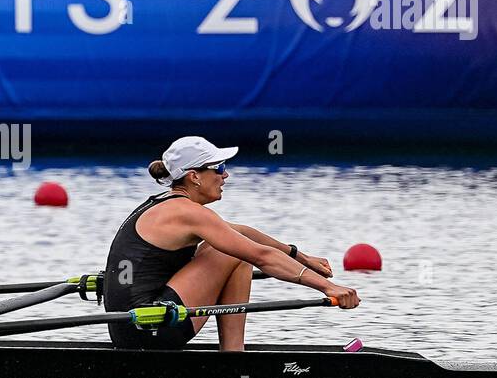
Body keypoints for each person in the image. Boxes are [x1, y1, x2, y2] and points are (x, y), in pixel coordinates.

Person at [102, 136, 360, 351]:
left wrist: (300, 257)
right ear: (194, 176)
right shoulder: (186, 212)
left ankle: (234, 354)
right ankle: (233, 357)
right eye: (220, 168)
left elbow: (242, 233)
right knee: (235, 254)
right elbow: (261, 256)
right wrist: (329, 287)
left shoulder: (168, 204)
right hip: (150, 328)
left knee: (231, 247)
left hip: (133, 330)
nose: (226, 175)